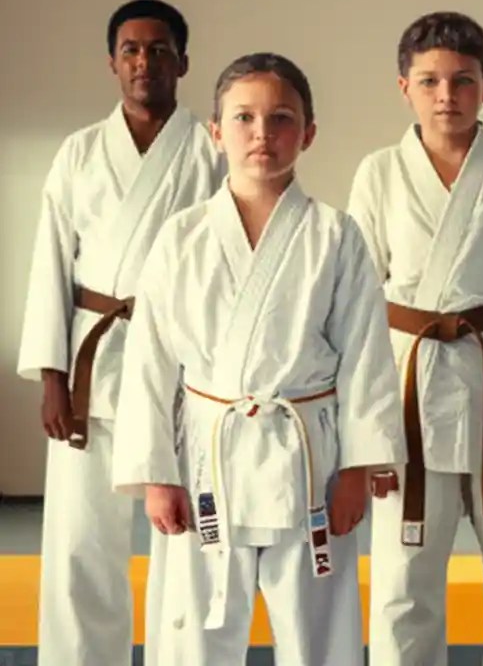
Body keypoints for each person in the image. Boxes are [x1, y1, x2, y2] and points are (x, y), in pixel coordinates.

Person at [111, 52, 406, 665]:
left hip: (309, 460)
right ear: (216, 132)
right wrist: (158, 475)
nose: (262, 133)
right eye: (243, 117)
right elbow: (150, 363)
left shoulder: (336, 235)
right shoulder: (182, 236)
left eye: (281, 118)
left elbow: (365, 357)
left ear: (308, 132)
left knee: (318, 633)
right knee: (196, 631)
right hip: (207, 459)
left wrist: (358, 469)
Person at [15, 0, 222, 666]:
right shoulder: (79, 153)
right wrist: (52, 375)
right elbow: (51, 262)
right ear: (112, 62)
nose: (144, 61)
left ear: (182, 62)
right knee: (80, 541)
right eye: (131, 49)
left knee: (179, 537)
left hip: (181, 366)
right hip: (92, 365)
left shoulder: (211, 149)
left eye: (159, 49)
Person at [350, 11, 483, 666]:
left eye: (463, 81)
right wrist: (365, 432)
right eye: (430, 81)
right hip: (406, 399)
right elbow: (356, 310)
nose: (447, 96)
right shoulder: (379, 173)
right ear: (404, 87)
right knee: (403, 586)